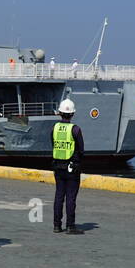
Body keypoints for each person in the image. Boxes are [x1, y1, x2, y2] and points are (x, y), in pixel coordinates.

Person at [51, 98, 85, 234]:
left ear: (59, 113)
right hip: (72, 167)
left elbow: (53, 144)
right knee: (71, 197)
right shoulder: (75, 130)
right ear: (72, 114)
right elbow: (81, 149)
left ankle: (56, 225)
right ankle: (70, 226)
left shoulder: (54, 128)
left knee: (59, 195)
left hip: (57, 166)